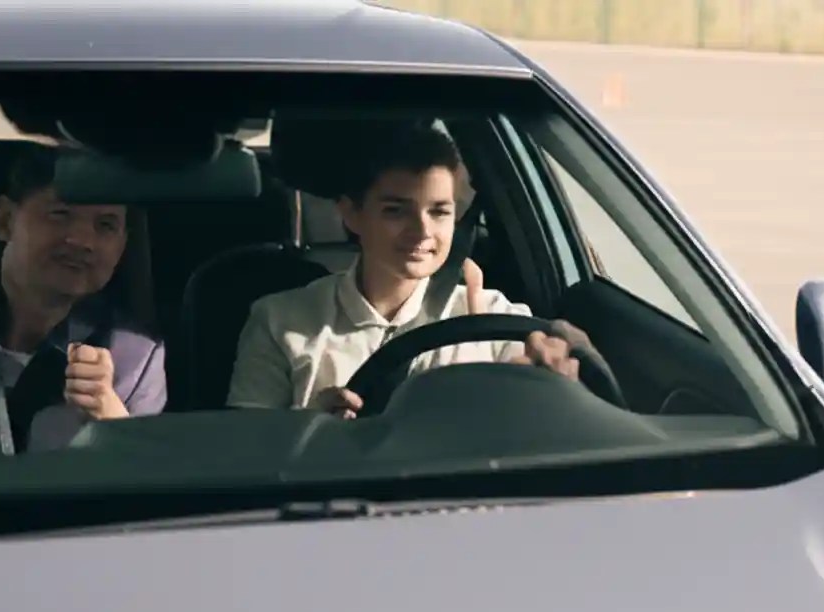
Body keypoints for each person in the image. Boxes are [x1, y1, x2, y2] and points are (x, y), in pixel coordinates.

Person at [225, 123, 590, 418]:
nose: (422, 231)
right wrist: (309, 430)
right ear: (352, 214)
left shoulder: (494, 318)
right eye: (395, 211)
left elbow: (541, 430)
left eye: (439, 211)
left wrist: (558, 389)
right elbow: (245, 452)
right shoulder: (280, 321)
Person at [0, 142, 167, 455]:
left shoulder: (135, 357)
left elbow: (151, 486)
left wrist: (110, 417)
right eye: (60, 214)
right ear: (5, 221)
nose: (81, 240)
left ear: (122, 245)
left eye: (105, 225)